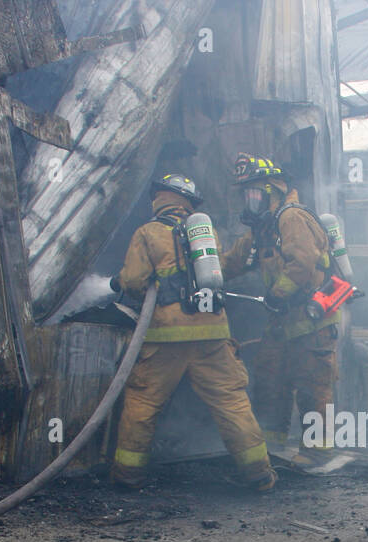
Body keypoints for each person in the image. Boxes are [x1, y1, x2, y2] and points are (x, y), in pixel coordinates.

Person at [111, 173, 276, 491]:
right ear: (188, 204)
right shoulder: (206, 232)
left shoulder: (148, 233)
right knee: (231, 401)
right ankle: (258, 472)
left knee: (143, 403)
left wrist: (122, 283)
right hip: (213, 332)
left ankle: (127, 476)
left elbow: (133, 281)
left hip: (165, 338)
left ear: (160, 198)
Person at [221, 153, 335, 466]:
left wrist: (278, 293)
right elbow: (232, 261)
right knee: (272, 379)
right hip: (282, 322)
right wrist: (200, 271)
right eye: (247, 194)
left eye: (254, 193)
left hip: (311, 320)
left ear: (273, 190)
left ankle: (317, 452)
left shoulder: (291, 217)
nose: (250, 200)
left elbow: (302, 261)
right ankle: (273, 446)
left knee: (312, 386)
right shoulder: (263, 229)